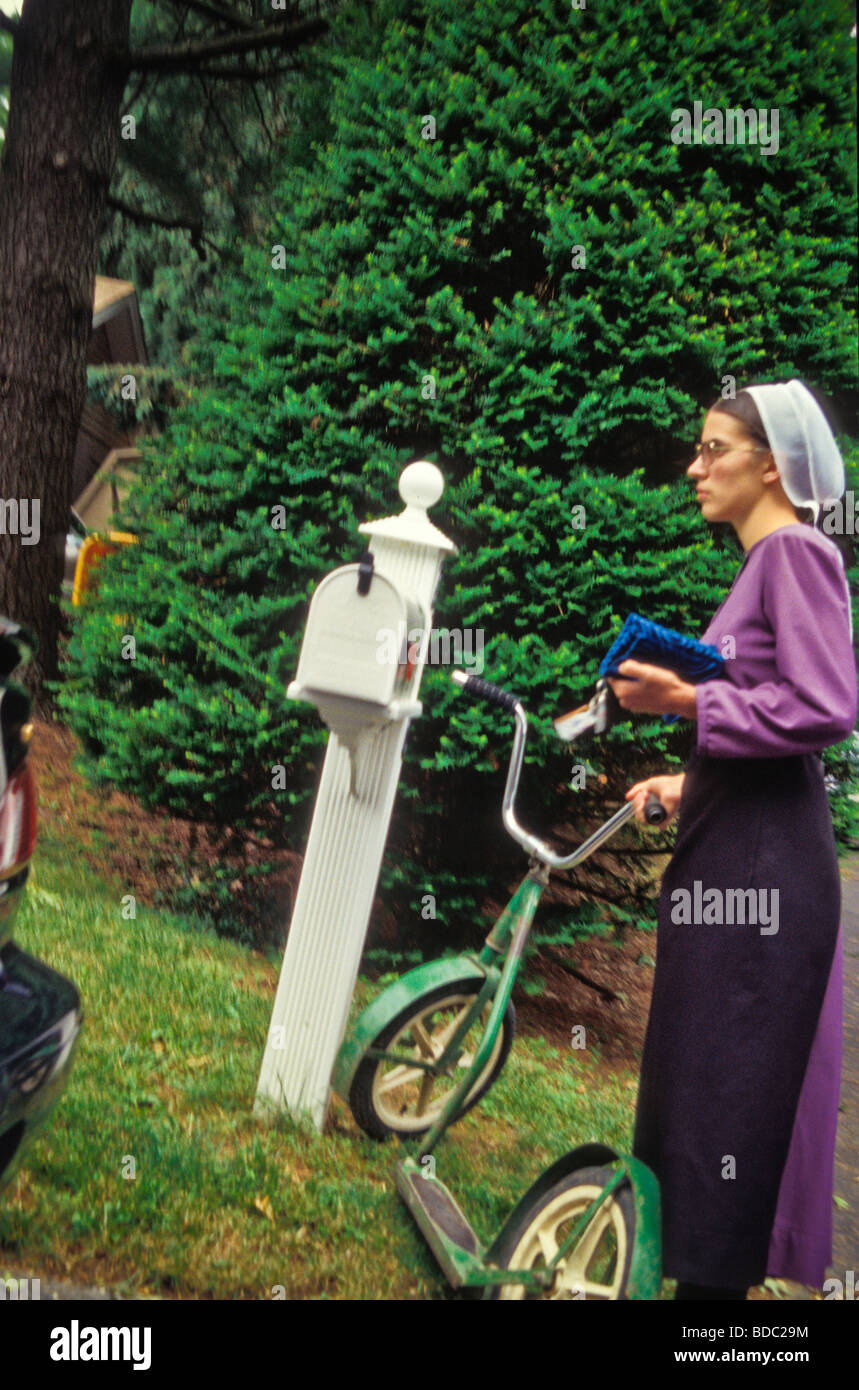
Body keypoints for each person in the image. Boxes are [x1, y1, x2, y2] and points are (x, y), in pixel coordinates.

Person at [607, 381, 857, 1301]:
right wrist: (689, 774)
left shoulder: (791, 552)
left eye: (714, 450)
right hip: (736, 850)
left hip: (762, 876)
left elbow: (828, 706)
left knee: (727, 1101)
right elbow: (771, 715)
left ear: (768, 463)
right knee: (708, 1092)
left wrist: (684, 700)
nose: (695, 467)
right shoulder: (762, 564)